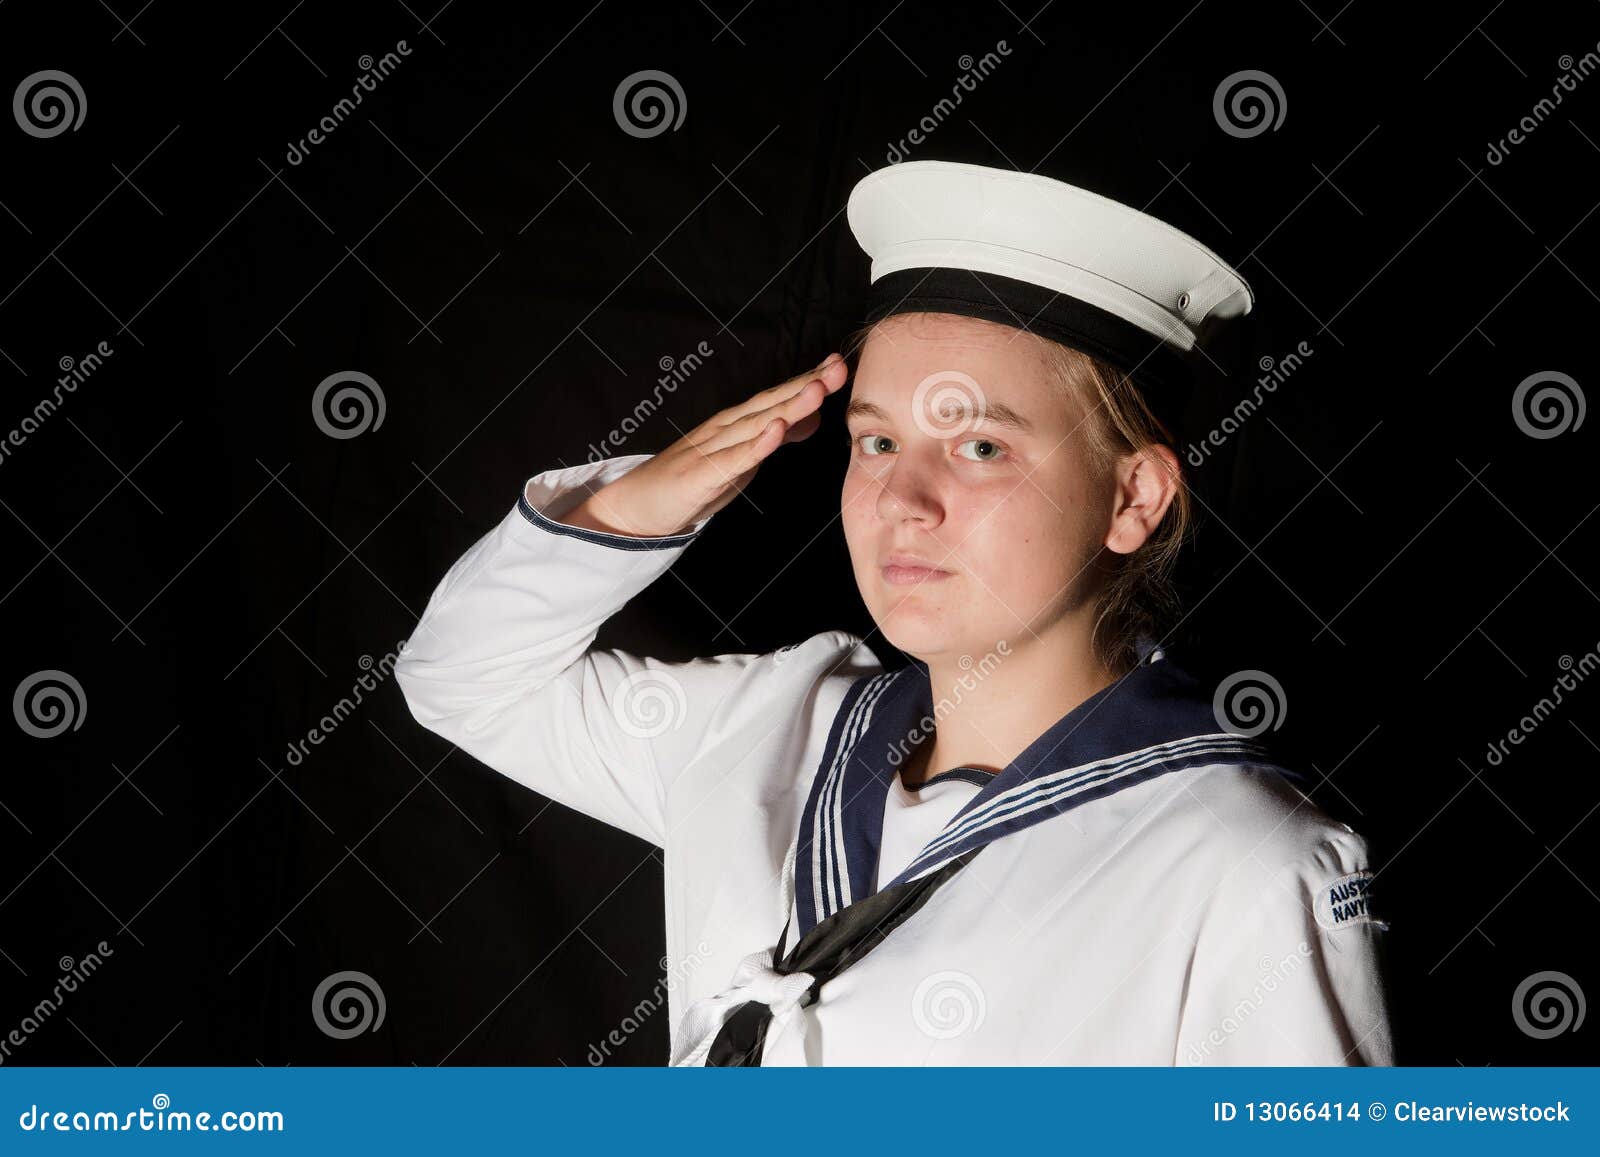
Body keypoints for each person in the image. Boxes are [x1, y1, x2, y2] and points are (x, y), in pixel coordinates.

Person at [395, 159, 1395, 1066]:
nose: (900, 502)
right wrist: (628, 509)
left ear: (1132, 497)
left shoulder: (1244, 863)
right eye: (874, 442)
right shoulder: (758, 728)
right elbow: (460, 675)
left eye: (980, 447)